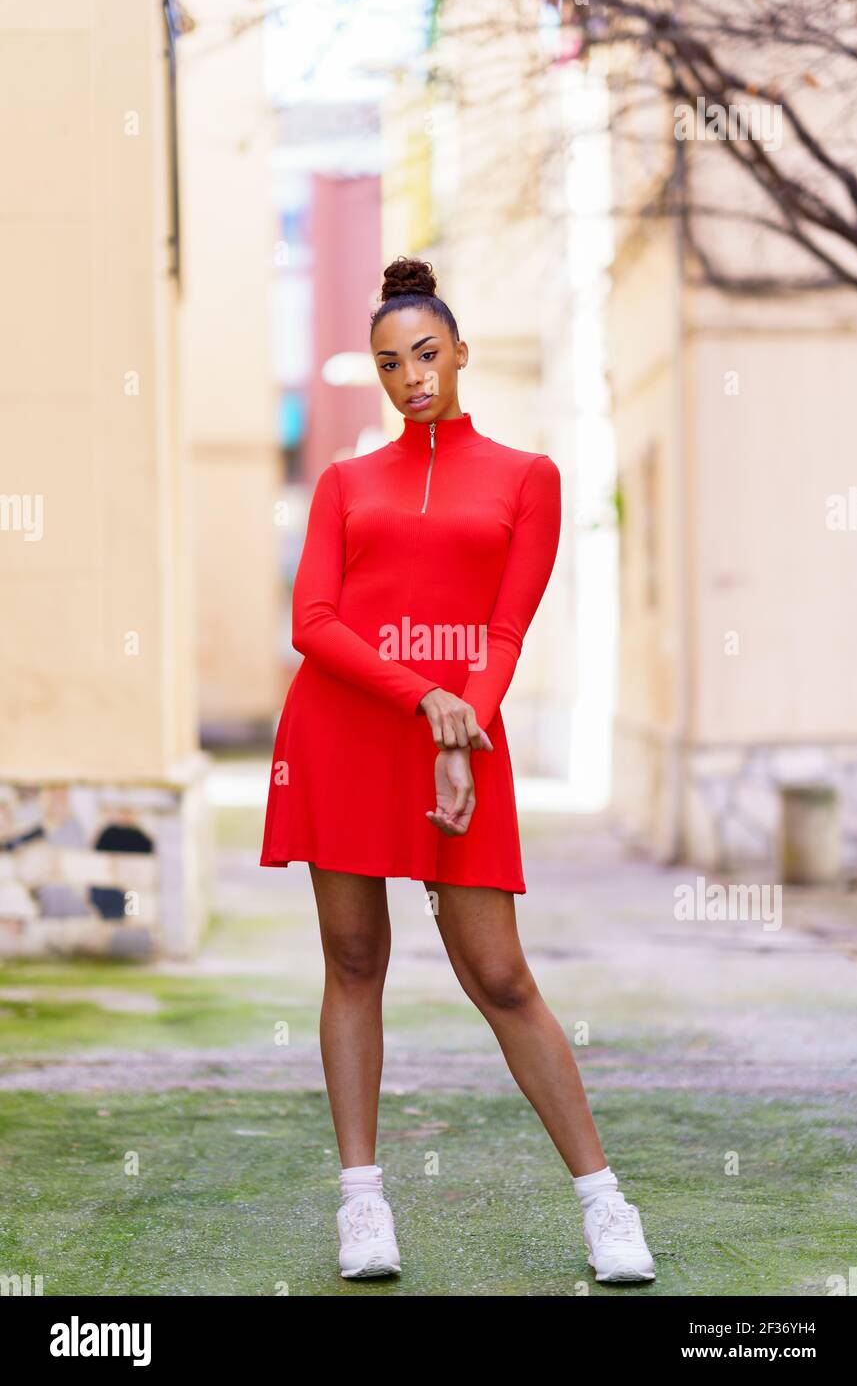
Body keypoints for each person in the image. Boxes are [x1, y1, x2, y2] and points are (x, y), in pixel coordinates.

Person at [260, 256, 655, 1285]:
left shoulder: (528, 477)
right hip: (344, 736)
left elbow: (504, 627)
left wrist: (456, 729)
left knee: (500, 976)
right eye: (390, 364)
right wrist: (422, 700)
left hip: (459, 746)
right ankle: (362, 1207)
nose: (412, 378)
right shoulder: (346, 482)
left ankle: (605, 1206)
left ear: (459, 352)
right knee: (353, 963)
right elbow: (313, 623)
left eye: (426, 354)